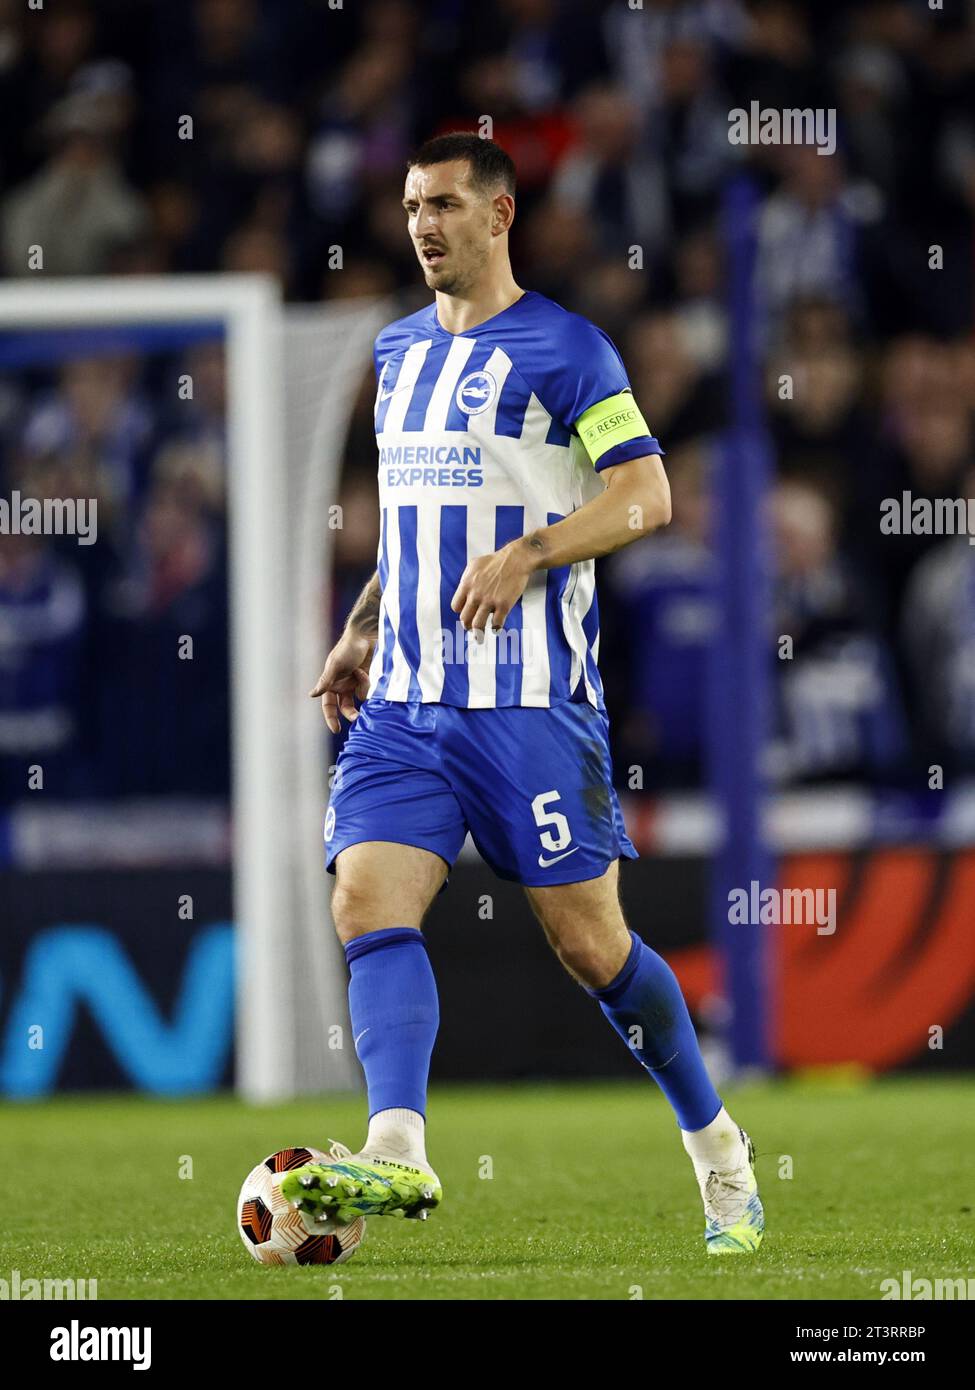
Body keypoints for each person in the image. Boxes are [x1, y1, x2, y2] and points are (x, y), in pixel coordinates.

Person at [284, 133, 764, 1255]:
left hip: (534, 705)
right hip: (405, 701)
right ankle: (397, 1148)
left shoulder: (569, 350)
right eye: (410, 205)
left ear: (499, 216)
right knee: (366, 900)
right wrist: (361, 630)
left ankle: (719, 1149)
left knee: (594, 948)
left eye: (445, 204)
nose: (423, 226)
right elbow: (411, 531)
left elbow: (647, 498)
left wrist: (533, 552)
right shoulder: (398, 353)